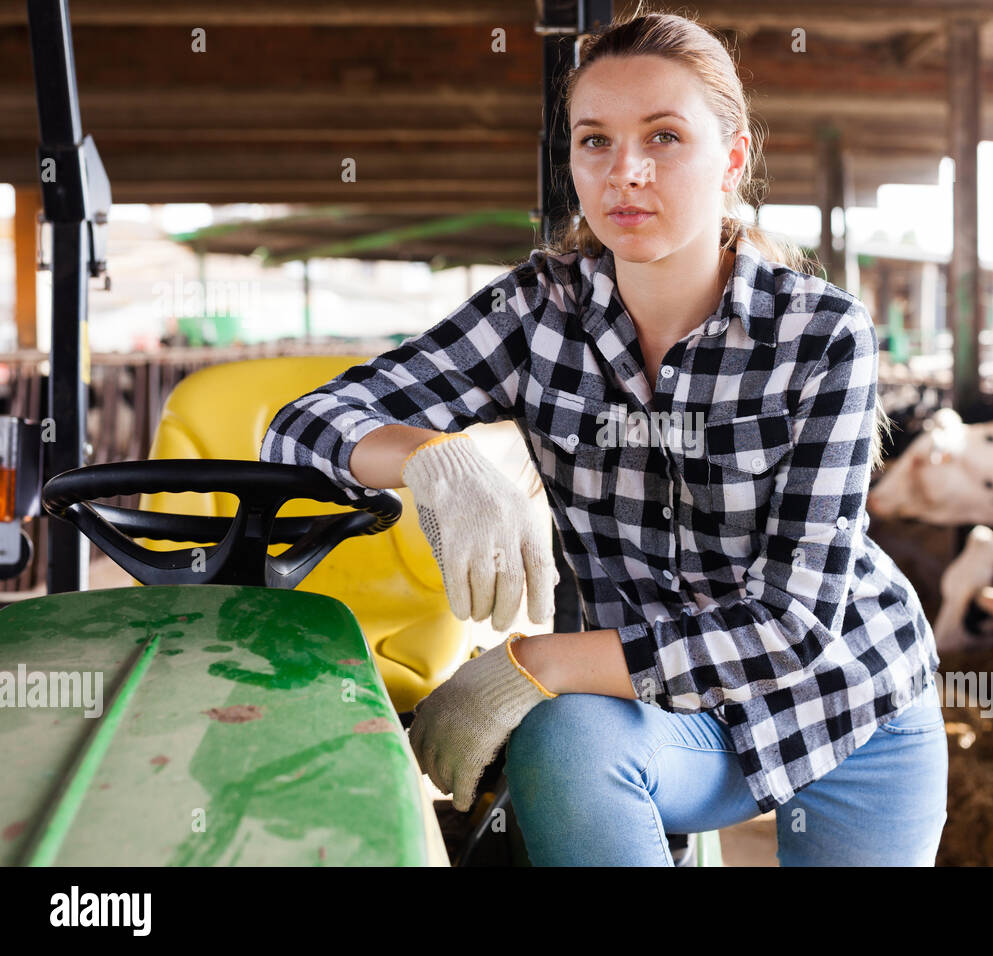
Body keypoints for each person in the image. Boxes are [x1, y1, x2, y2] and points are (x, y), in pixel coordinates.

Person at [259, 6, 946, 866]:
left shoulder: (820, 336)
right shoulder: (537, 311)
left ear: (731, 159)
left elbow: (791, 627)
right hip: (672, 723)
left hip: (847, 703)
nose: (626, 172)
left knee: (559, 702)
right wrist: (431, 459)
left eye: (664, 138)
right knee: (570, 740)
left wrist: (532, 661)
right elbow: (296, 429)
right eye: (595, 140)